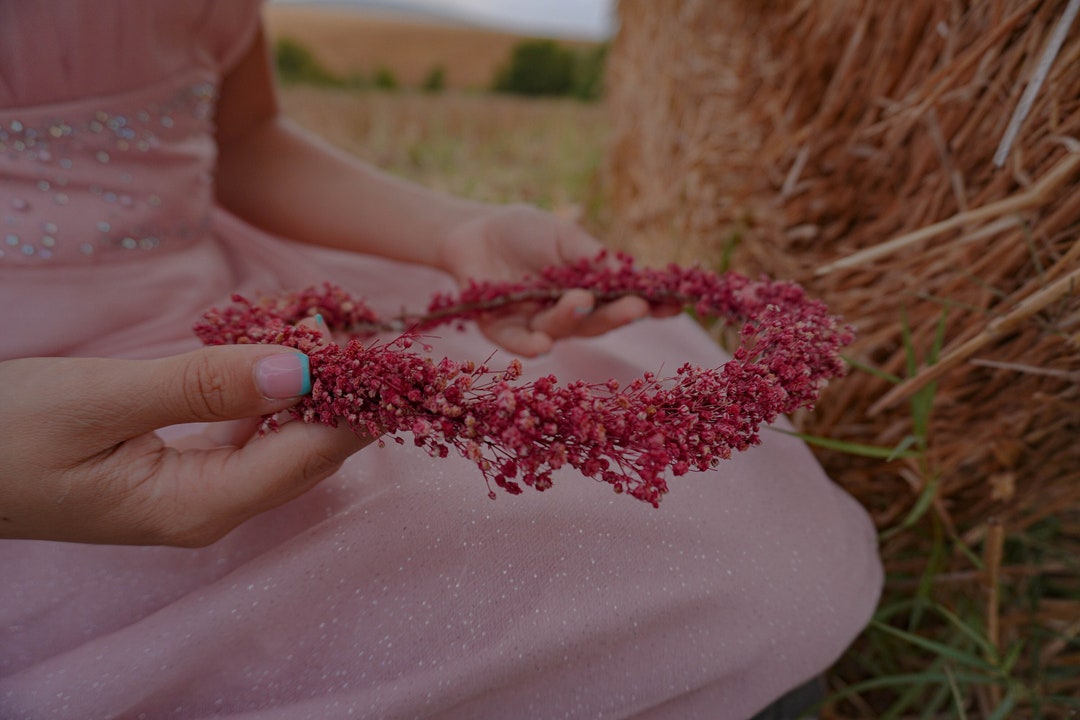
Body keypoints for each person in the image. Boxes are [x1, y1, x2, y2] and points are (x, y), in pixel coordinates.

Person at [0, 2, 882, 718]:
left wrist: (453, 230)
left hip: (218, 288)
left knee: (730, 526)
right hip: (37, 399)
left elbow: (247, 136)